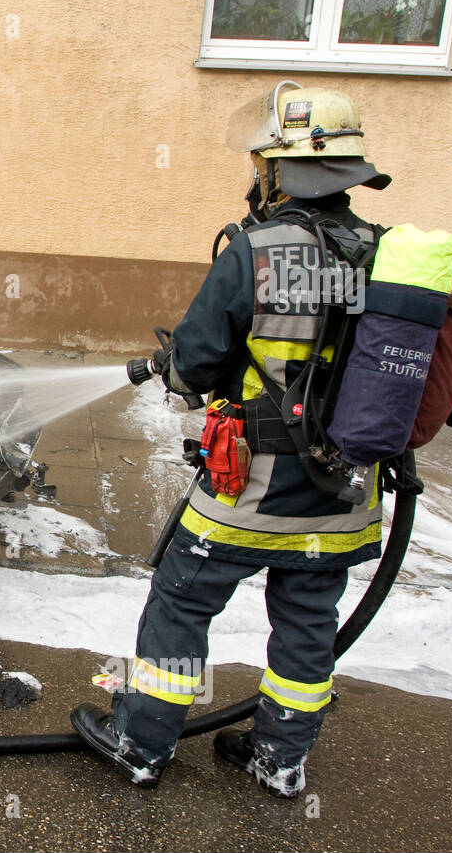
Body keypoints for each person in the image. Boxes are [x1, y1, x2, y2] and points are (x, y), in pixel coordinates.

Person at [72, 82, 394, 798]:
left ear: (282, 169)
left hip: (248, 485)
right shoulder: (385, 255)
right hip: (343, 492)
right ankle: (281, 759)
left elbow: (194, 365)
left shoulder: (256, 251)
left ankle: (144, 740)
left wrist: (174, 371)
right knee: (309, 620)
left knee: (181, 599)